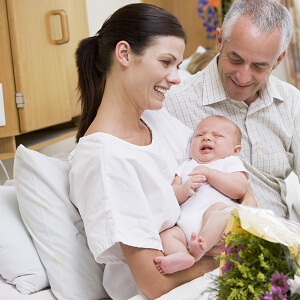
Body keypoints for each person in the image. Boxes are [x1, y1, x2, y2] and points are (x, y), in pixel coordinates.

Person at [68, 4, 235, 299]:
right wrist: (219, 257)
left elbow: (223, 169)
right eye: (166, 62)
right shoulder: (105, 159)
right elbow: (153, 283)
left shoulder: (155, 119)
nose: (176, 77)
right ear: (124, 54)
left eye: (178, 66)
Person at [164, 0, 300, 235]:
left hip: (276, 248)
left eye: (259, 66)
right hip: (204, 253)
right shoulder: (174, 105)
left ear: (278, 60)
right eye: (236, 59)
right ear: (219, 40)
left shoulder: (290, 102)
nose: (243, 76)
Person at [153, 115, 251, 274]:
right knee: (166, 235)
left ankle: (201, 245)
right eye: (199, 135)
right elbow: (171, 196)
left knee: (219, 209)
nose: (206, 138)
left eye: (217, 135)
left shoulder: (229, 162)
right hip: (185, 229)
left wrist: (210, 174)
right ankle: (182, 256)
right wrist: (183, 190)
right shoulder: (186, 166)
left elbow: (240, 188)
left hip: (217, 225)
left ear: (235, 150)